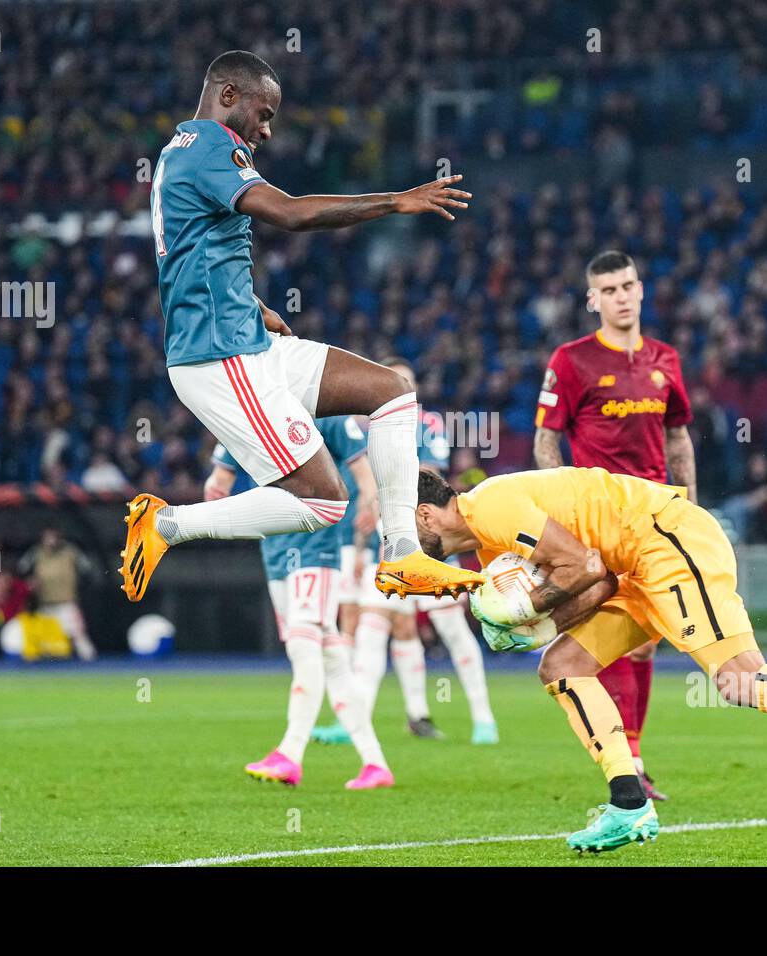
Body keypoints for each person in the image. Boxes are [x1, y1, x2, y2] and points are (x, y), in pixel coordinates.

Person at [119, 50, 483, 605]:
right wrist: (395, 201)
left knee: (392, 392)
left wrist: (251, 304)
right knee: (324, 501)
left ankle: (403, 553)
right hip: (220, 357)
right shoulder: (211, 147)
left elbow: (194, 253)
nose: (266, 130)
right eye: (263, 114)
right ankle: (168, 524)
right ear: (229, 95)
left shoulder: (181, 152)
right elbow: (290, 213)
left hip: (246, 340)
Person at [414, 467, 767, 853]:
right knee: (562, 667)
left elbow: (582, 565)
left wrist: (528, 611)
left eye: (404, 534)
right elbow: (598, 582)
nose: (405, 547)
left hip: (667, 542)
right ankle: (629, 804)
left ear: (424, 515)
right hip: (632, 568)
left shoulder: (490, 508)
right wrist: (540, 629)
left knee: (741, 681)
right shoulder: (491, 553)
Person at [533, 250, 696, 799]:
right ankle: (626, 763)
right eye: (609, 290)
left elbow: (678, 436)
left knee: (645, 642)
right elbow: (546, 438)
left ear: (641, 290)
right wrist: (560, 511)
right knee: (611, 636)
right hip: (599, 519)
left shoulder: (665, 359)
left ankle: (635, 759)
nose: (621, 297)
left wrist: (691, 507)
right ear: (592, 299)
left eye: (627, 286)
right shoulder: (571, 360)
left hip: (656, 518)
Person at [206, 418, 394, 790]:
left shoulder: (328, 414)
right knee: (331, 656)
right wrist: (216, 491)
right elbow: (219, 480)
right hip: (274, 546)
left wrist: (370, 507)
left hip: (316, 545)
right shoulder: (246, 413)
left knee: (302, 642)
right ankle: (375, 764)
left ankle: (290, 753)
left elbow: (366, 475)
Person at [323, 358, 498, 744]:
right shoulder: (360, 427)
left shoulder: (427, 424)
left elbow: (429, 479)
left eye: (408, 381)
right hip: (380, 542)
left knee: (452, 629)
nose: (402, 387)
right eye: (394, 379)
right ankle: (362, 721)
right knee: (377, 625)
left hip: (429, 541)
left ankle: (483, 718)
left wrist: (381, 502)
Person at [18, 526, 99, 661]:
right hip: (44, 604)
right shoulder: (35, 553)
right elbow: (21, 570)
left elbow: (88, 570)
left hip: (66, 603)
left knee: (78, 635)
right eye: (47, 537)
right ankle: (36, 668)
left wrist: (80, 587)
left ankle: (92, 665)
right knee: (39, 639)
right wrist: (30, 582)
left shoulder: (71, 551)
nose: (51, 540)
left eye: (53, 536)